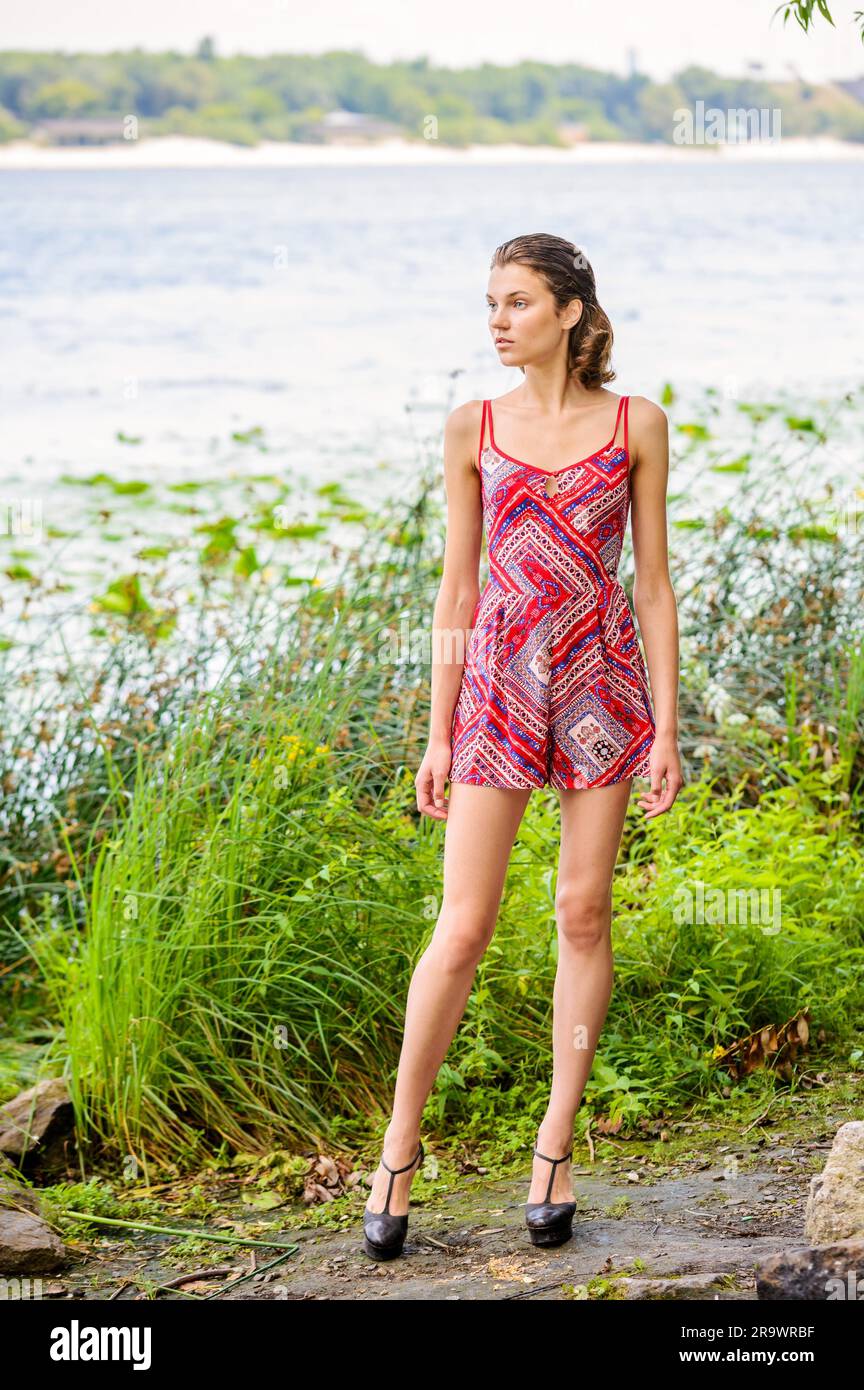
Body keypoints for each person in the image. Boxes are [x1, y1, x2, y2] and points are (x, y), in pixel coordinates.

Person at [362, 232, 682, 1262]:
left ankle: (555, 1143)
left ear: (571, 314)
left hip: (600, 681)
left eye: (518, 302)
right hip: (499, 685)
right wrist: (436, 729)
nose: (497, 320)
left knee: (582, 911)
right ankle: (399, 1149)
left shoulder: (637, 423)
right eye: (490, 303)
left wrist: (667, 726)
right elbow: (458, 588)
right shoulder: (473, 427)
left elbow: (653, 583)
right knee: (463, 925)